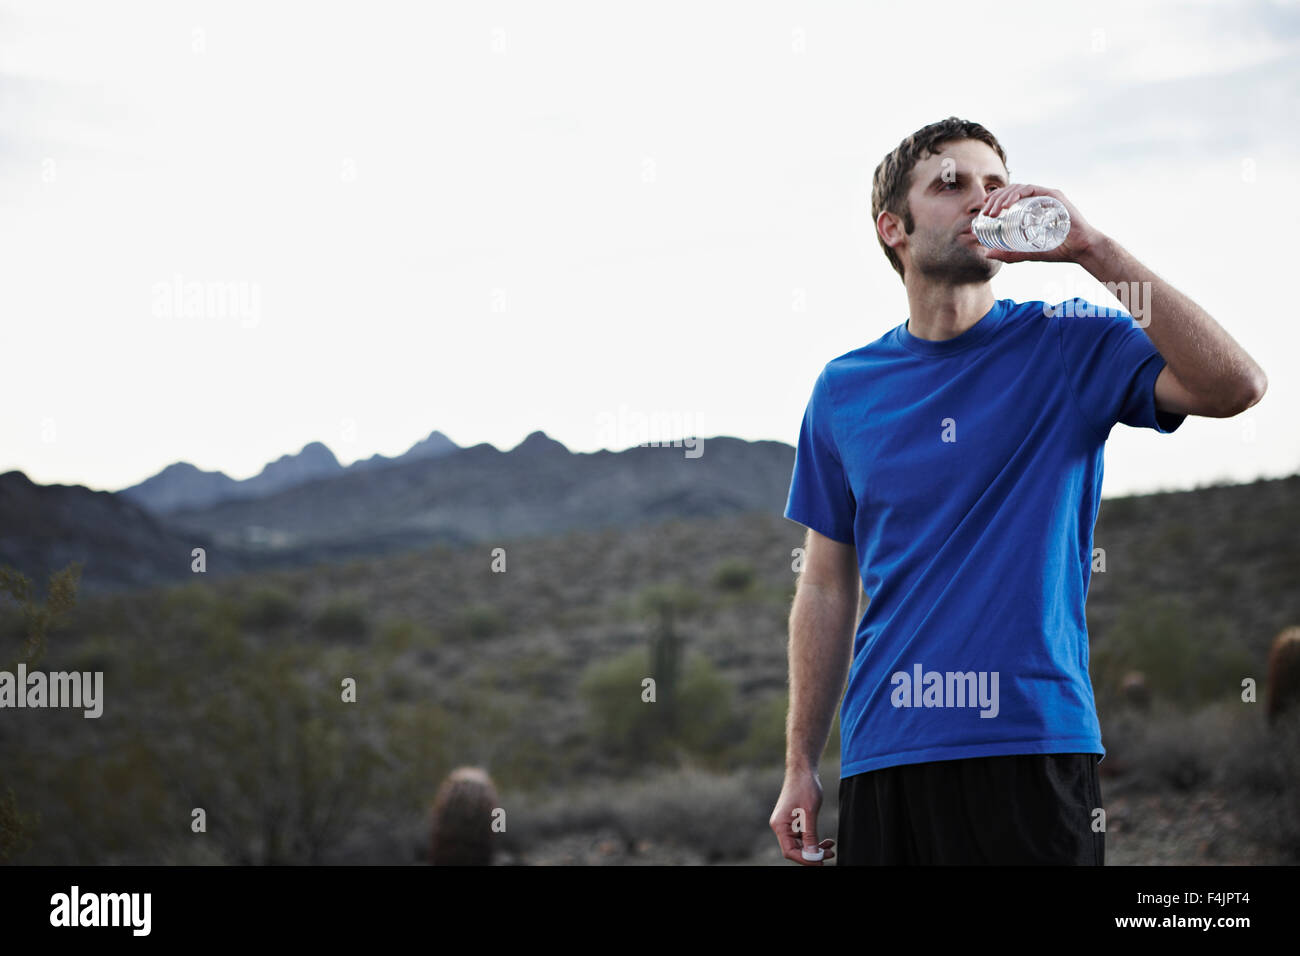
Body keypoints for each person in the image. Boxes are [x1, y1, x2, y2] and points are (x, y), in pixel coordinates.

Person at [769, 116, 1268, 866]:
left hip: (1033, 745)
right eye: (952, 184)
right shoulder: (843, 391)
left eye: (996, 185)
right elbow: (826, 587)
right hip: (887, 752)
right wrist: (799, 763)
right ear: (892, 228)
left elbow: (1236, 385)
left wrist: (1091, 250)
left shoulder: (1070, 342)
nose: (982, 199)